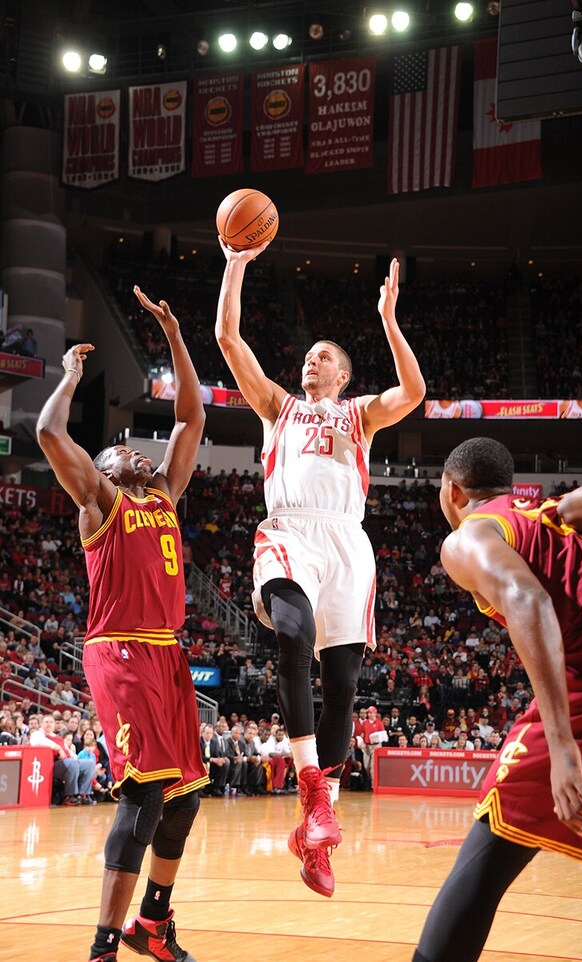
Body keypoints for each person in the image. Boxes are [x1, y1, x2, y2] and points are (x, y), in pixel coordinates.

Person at [216, 241, 425, 897]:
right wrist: (236, 263)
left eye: (324, 357)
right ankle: (313, 788)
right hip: (289, 533)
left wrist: (390, 321)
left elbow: (415, 391)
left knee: (341, 684)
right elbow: (227, 337)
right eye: (308, 356)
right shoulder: (279, 406)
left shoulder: (359, 413)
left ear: (342, 376)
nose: (312, 360)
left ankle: (316, 825)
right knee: (292, 632)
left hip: (346, 545)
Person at [413, 438, 582, 962]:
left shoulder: (472, 534)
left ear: (451, 492)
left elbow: (525, 596)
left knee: (492, 842)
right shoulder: (554, 513)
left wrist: (562, 746)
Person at [36, 286, 208, 962]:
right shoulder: (100, 500)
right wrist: (70, 379)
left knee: (186, 798)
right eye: (120, 450)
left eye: (137, 449)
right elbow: (51, 434)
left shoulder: (163, 493)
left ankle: (152, 928)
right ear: (103, 470)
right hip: (120, 654)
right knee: (141, 797)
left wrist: (173, 335)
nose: (133, 451)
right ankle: (103, 947)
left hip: (166, 654)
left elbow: (191, 420)